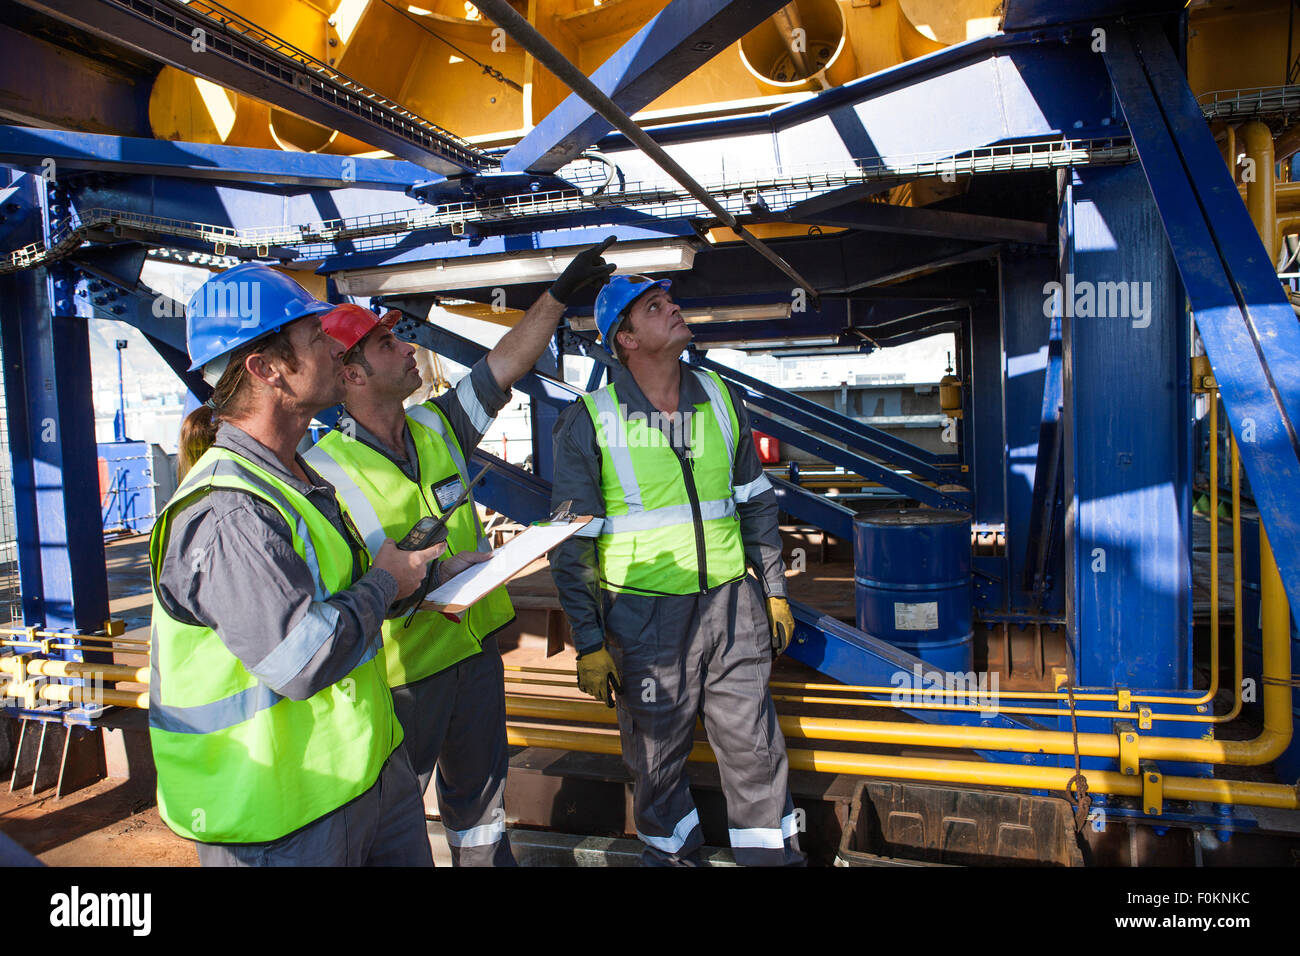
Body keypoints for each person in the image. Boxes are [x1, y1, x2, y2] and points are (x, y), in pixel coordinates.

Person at [304, 238, 617, 865]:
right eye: (387, 344)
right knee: (388, 820)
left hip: (474, 657)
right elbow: (332, 597)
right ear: (352, 374)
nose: (408, 347)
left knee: (481, 815)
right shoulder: (321, 474)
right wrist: (429, 575)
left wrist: (555, 298)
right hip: (401, 681)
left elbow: (505, 362)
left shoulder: (437, 424)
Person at [151, 262, 452, 866]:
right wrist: (388, 579)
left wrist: (425, 575)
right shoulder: (230, 511)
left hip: (368, 773)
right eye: (316, 339)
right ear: (267, 370)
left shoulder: (296, 477)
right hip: (284, 814)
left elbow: (347, 594)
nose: (337, 349)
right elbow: (302, 659)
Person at [549, 273, 805, 866]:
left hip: (733, 605)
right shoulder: (590, 420)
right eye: (655, 307)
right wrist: (589, 641)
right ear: (626, 340)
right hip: (643, 620)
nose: (675, 309)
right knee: (657, 764)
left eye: (670, 300)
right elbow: (572, 543)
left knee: (755, 748)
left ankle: (773, 859)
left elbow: (755, 499)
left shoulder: (718, 396)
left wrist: (773, 590)